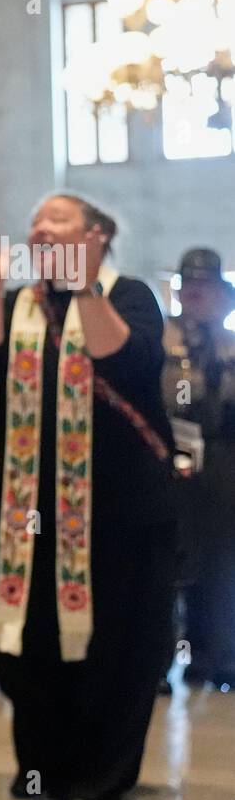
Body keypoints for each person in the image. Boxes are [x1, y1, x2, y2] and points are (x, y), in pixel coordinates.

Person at [0, 195, 177, 800]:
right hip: (32, 512)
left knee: (115, 642)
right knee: (33, 644)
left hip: (118, 513)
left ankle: (101, 777)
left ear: (97, 235)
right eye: (35, 222)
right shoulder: (21, 303)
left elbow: (128, 361)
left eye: (56, 220)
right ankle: (41, 768)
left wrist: (84, 289)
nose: (39, 228)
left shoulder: (128, 294)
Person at [163, 247, 235, 687]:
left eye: (206, 287)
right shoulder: (161, 339)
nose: (198, 294)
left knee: (221, 566)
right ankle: (164, 662)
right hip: (172, 460)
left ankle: (217, 660)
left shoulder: (230, 343)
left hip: (225, 461)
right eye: (190, 286)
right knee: (171, 564)